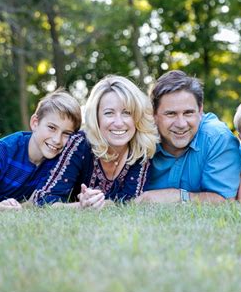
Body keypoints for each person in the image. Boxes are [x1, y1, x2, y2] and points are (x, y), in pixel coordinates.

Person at [31, 75, 159, 209]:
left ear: (137, 116)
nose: (119, 123)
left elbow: (130, 201)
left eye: (127, 113)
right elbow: (43, 200)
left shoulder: (141, 149)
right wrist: (82, 206)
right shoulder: (80, 143)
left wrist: (103, 204)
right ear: (96, 117)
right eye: (109, 113)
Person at [0, 90, 82, 209]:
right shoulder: (4, 151)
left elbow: (42, 203)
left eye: (67, 133)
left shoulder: (62, 160)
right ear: (35, 123)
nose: (57, 139)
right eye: (51, 128)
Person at [135, 70, 241, 203]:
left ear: (200, 110)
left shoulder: (217, 138)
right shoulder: (139, 136)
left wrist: (179, 196)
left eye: (188, 113)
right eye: (171, 114)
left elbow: (226, 200)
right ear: (154, 114)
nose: (181, 124)